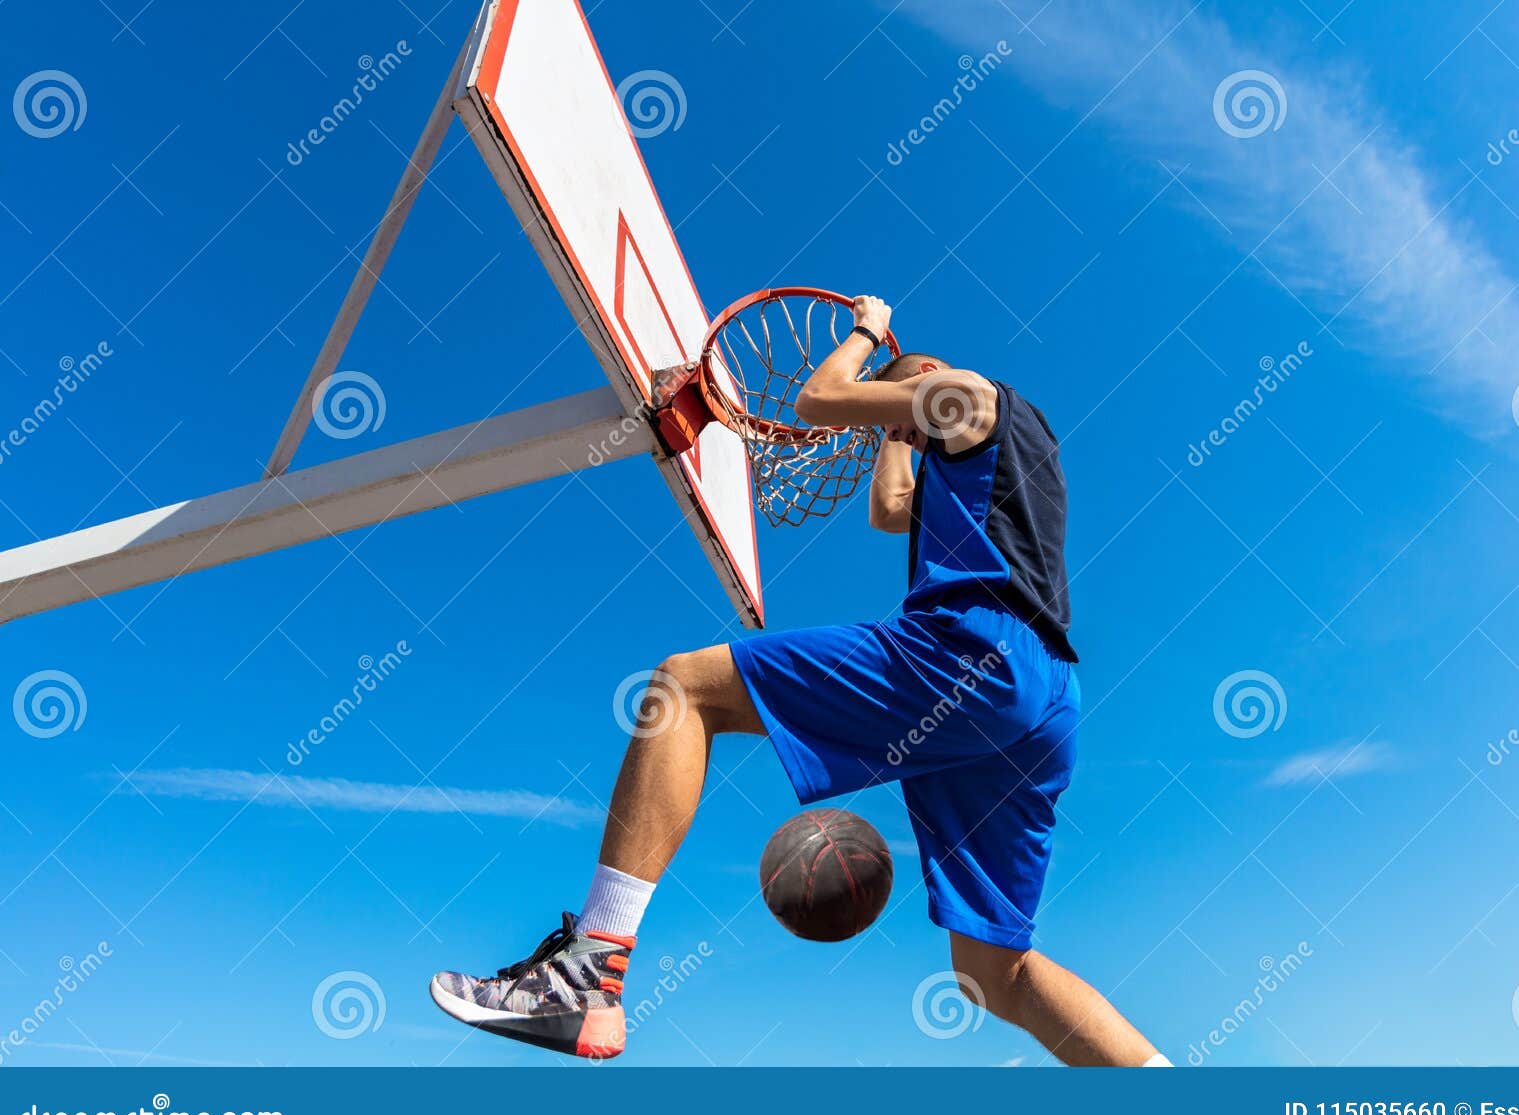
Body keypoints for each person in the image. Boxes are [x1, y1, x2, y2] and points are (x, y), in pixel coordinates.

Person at [430, 296, 1169, 1066]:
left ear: (932, 375)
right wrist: (895, 435)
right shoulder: (994, 468)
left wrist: (868, 336)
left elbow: (818, 398)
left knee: (684, 686)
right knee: (995, 975)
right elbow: (890, 510)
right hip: (1043, 699)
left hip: (976, 651)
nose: (904, 421)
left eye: (904, 397)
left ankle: (589, 972)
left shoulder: (972, 393)